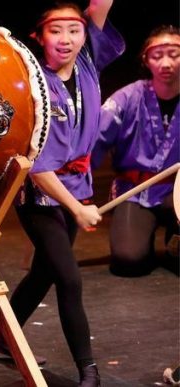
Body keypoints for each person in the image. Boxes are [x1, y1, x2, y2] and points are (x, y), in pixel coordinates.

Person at [0, 1, 124, 386]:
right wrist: (77, 210)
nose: (66, 39)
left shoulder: (88, 62)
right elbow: (39, 168)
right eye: (55, 31)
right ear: (38, 36)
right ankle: (88, 370)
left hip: (78, 186)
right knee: (69, 279)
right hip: (39, 194)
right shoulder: (31, 84)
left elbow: (100, 4)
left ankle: (3, 336)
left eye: (74, 30)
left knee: (44, 271)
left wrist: (80, 203)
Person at [94, 25, 179, 277]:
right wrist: (79, 194)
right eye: (157, 55)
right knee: (128, 260)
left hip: (178, 193)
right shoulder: (127, 97)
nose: (166, 63)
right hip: (137, 191)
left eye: (174, 54)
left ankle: (175, 237)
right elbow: (96, 140)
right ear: (146, 60)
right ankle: (151, 238)